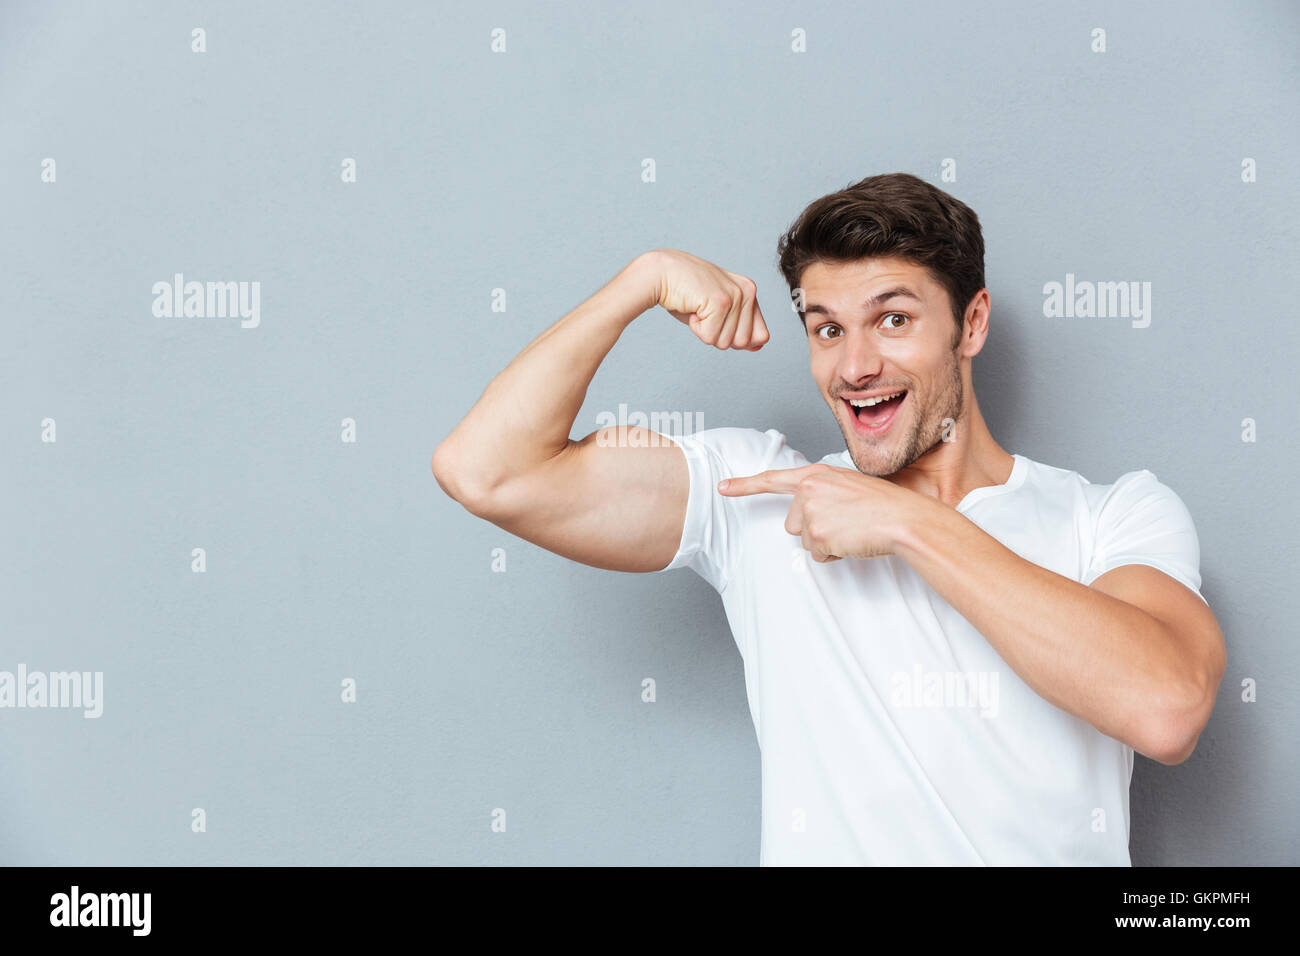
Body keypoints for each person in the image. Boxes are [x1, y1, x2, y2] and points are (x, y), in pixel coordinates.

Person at [431, 172, 1226, 866]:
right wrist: (640, 281)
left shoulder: (1113, 514)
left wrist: (910, 525)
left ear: (971, 324)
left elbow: (1166, 707)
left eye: (893, 320)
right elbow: (486, 471)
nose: (855, 367)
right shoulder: (757, 495)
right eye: (827, 329)